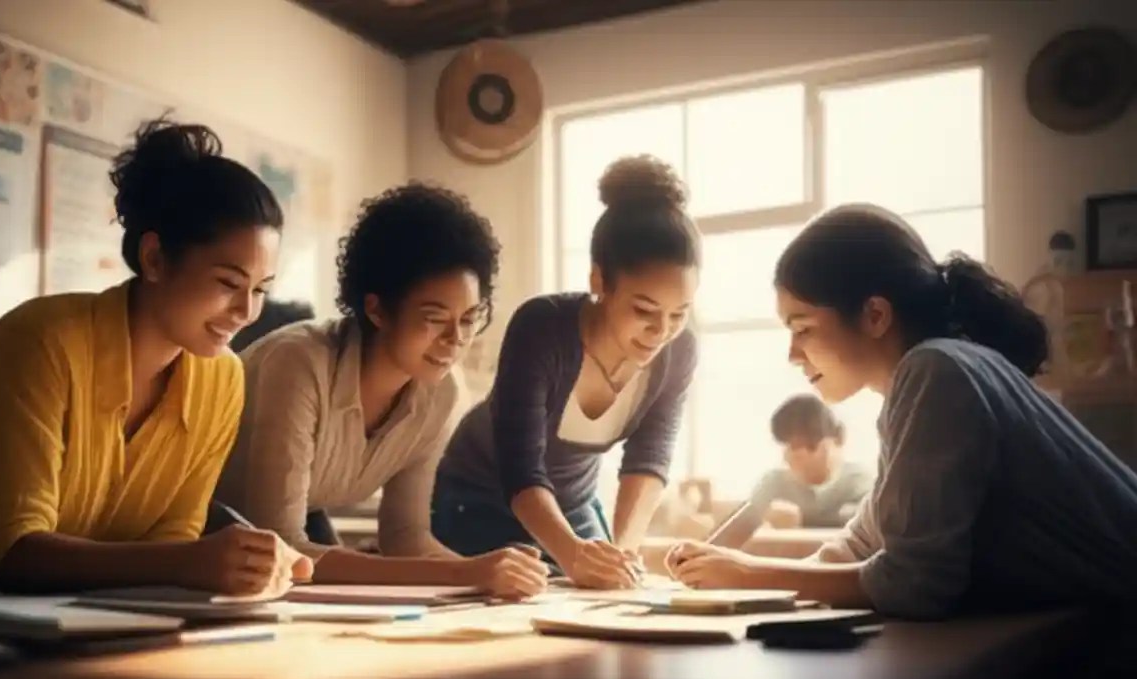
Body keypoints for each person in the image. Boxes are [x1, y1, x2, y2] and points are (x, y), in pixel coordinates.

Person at [0, 119, 312, 594]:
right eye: (229, 283)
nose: (247, 311)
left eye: (260, 290)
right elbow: (8, 549)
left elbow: (171, 541)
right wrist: (189, 562)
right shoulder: (42, 342)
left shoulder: (223, 379)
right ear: (154, 258)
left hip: (74, 618)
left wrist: (211, 566)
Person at [669, 203, 1137, 619]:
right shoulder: (927, 379)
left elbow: (915, 583)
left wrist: (750, 574)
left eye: (803, 328)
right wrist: (735, 580)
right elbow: (860, 545)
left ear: (875, 315)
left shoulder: (938, 371)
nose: (793, 354)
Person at [214, 183, 548, 599]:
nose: (455, 340)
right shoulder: (299, 363)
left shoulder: (441, 390)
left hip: (290, 542)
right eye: (434, 318)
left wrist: (498, 574)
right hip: (207, 538)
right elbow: (282, 548)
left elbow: (405, 535)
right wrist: (465, 573)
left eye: (468, 319)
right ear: (377, 309)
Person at [432, 155, 700, 590]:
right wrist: (572, 555)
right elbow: (521, 470)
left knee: (610, 589)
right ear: (598, 280)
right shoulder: (542, 327)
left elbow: (649, 459)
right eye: (644, 310)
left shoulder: (679, 350)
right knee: (508, 601)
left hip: (573, 503)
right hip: (479, 496)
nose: (662, 331)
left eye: (679, 313)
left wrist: (623, 553)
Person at [711, 394, 873, 548]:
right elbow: (734, 533)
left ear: (838, 439)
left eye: (810, 445)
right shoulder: (773, 484)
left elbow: (869, 528)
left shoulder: (859, 482)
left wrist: (802, 521)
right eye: (791, 446)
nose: (799, 454)